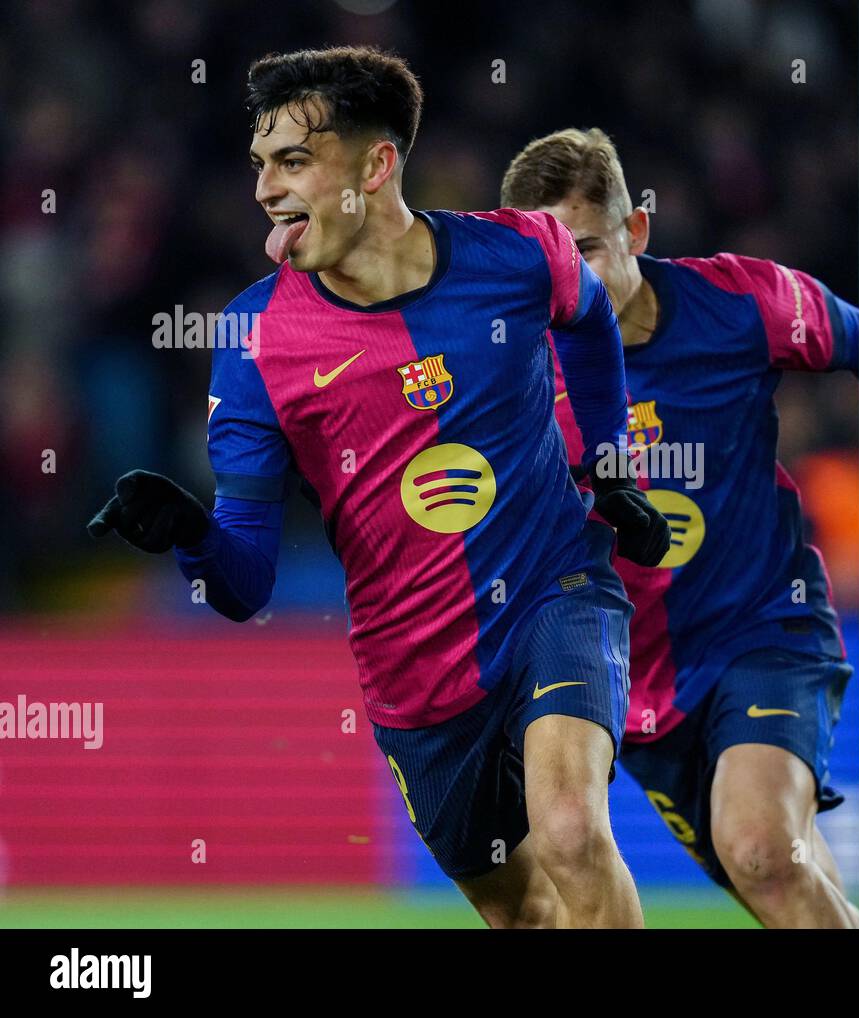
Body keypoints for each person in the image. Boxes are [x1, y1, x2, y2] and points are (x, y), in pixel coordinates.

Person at [88, 49, 670, 929]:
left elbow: (590, 318)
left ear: (376, 165)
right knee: (524, 915)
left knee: (570, 831)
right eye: (260, 166)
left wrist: (608, 461)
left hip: (558, 587)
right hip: (416, 670)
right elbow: (244, 588)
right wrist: (188, 532)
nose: (265, 191)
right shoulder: (254, 337)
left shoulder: (521, 252)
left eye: (292, 162)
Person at [502, 127, 859, 928]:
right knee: (780, 878)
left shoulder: (745, 303)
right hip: (630, 680)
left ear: (637, 230)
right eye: (545, 266)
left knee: (759, 848)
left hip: (764, 625)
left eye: (589, 250)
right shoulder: (516, 373)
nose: (569, 283)